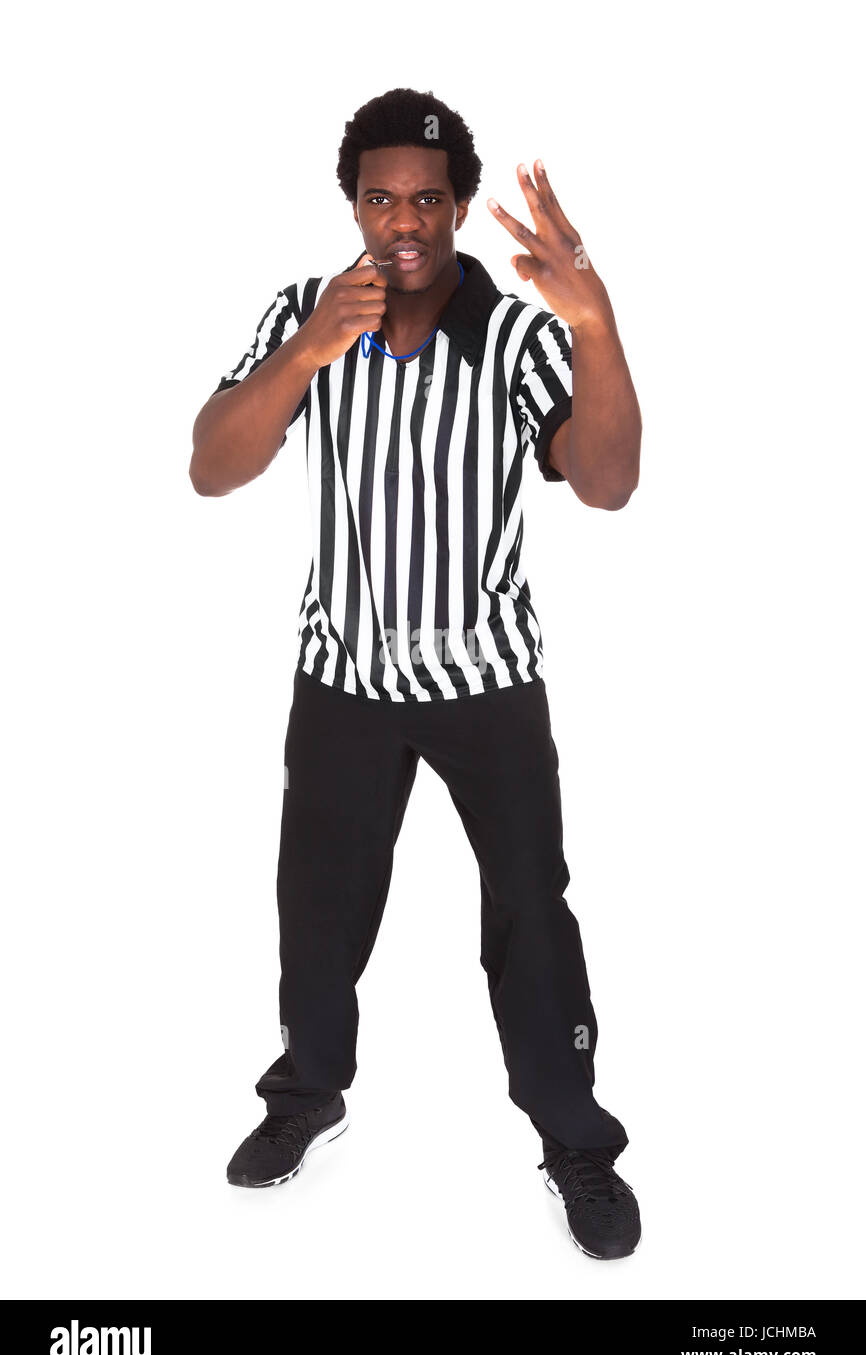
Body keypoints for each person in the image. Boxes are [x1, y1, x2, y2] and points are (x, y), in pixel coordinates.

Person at [189, 87, 642, 1260]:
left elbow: (605, 482)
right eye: (382, 197)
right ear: (352, 202)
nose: (404, 221)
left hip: (483, 676)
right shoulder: (306, 311)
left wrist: (594, 327)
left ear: (456, 207)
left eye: (427, 199)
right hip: (340, 671)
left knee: (530, 918)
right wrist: (306, 351)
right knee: (319, 911)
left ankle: (575, 1143)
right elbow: (211, 465)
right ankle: (305, 1098)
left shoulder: (510, 334)